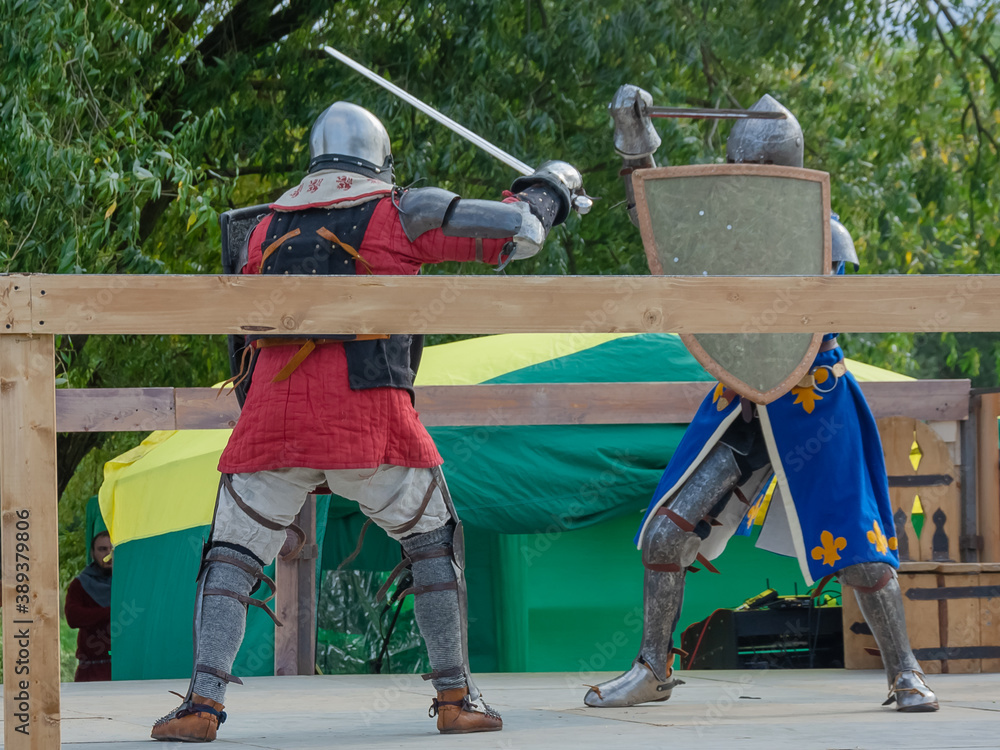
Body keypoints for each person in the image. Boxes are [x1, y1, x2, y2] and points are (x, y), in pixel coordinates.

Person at [152, 101, 583, 742]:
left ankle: (201, 704)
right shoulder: (399, 212)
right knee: (433, 543)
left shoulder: (261, 228)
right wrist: (553, 186)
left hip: (271, 424)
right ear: (379, 158)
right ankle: (454, 698)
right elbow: (518, 233)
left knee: (231, 559)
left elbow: (241, 343)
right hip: (369, 422)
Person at [582, 85, 938, 713]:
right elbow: (658, 225)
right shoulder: (723, 233)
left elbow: (809, 326)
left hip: (813, 404)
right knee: (665, 535)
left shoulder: (823, 233)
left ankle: (905, 673)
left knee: (857, 550)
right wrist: (636, 146)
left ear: (780, 172)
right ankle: (652, 670)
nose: (742, 179)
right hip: (742, 404)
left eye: (754, 169)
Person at [65, 531, 113, 682]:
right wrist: (110, 612)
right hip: (91, 668)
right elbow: (73, 617)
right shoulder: (80, 584)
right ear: (92, 553)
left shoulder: (128, 583)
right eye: (102, 549)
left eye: (112, 549)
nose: (108, 555)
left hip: (124, 667)